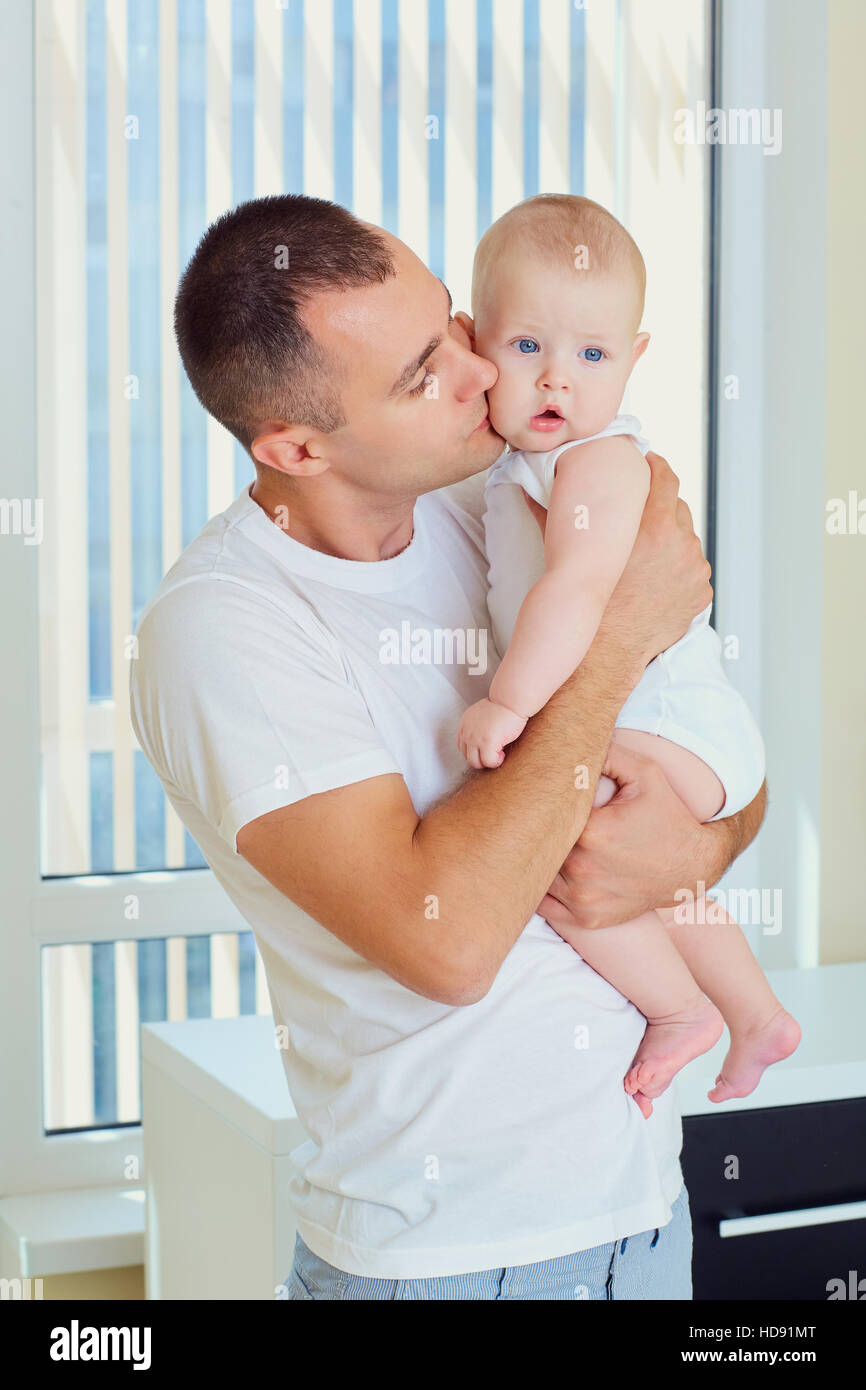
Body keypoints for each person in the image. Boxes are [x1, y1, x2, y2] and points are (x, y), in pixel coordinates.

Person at [130, 193, 766, 1300]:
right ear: (294, 444)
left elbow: (707, 767)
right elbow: (449, 943)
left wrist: (694, 852)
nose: (483, 375)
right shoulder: (223, 629)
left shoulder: (494, 494)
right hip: (442, 1262)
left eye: (457, 327)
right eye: (424, 370)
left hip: (641, 1217)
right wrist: (611, 648)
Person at [456, 194, 800, 1119]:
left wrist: (509, 705)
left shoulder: (598, 462)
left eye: (593, 356)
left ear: (635, 360)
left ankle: (679, 1009)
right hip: (661, 722)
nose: (556, 381)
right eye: (526, 348)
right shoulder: (520, 466)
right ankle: (756, 1013)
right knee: (630, 859)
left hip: (673, 719)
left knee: (548, 839)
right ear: (471, 337)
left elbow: (574, 592)